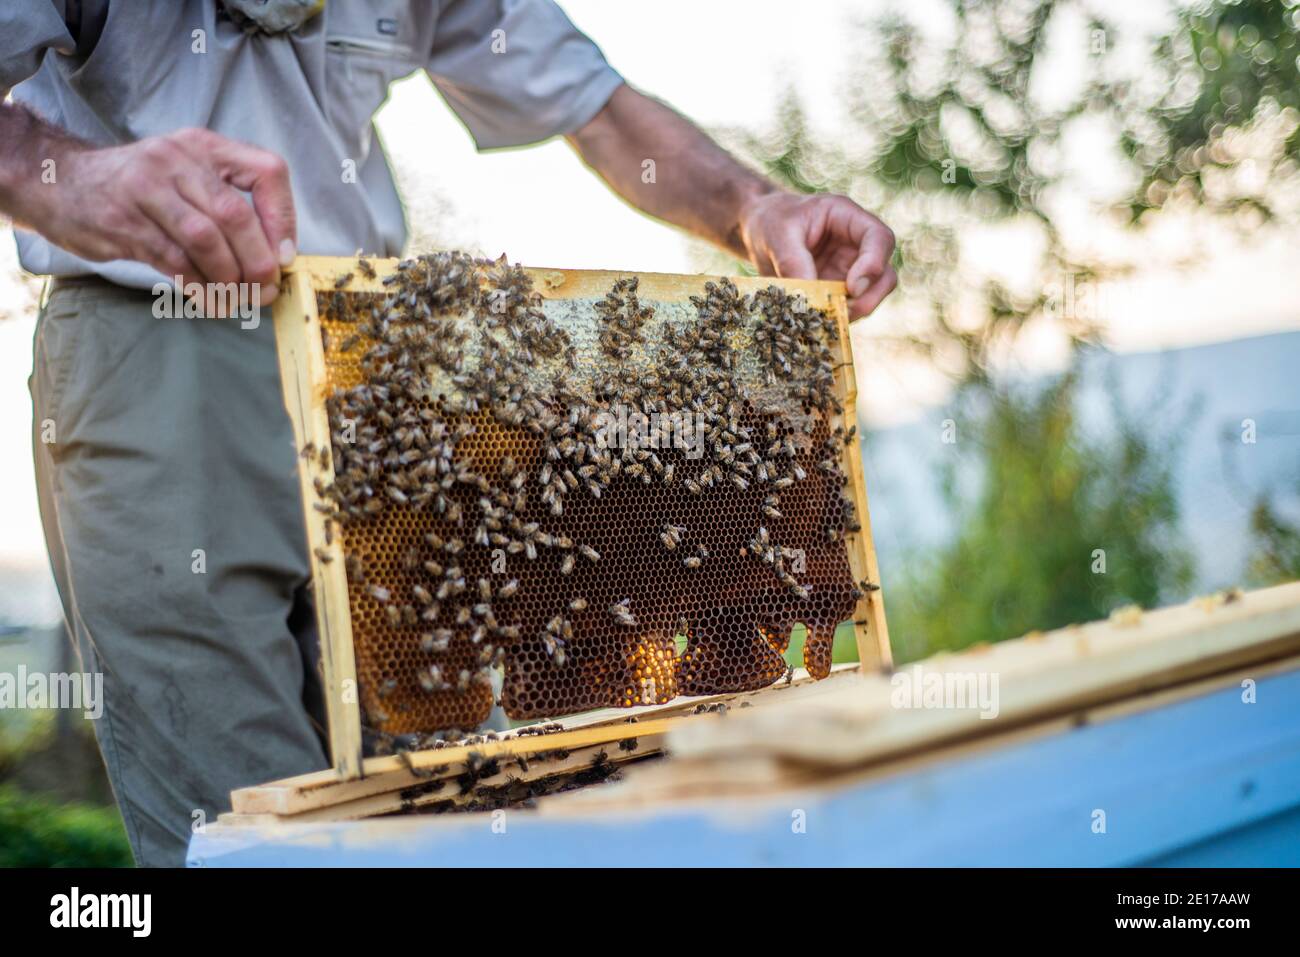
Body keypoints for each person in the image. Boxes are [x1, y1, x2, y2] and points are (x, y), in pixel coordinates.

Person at [0, 0, 897, 867]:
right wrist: (70, 178)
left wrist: (753, 206)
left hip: (374, 378)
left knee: (454, 801)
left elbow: (596, 103)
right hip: (157, 339)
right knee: (252, 825)